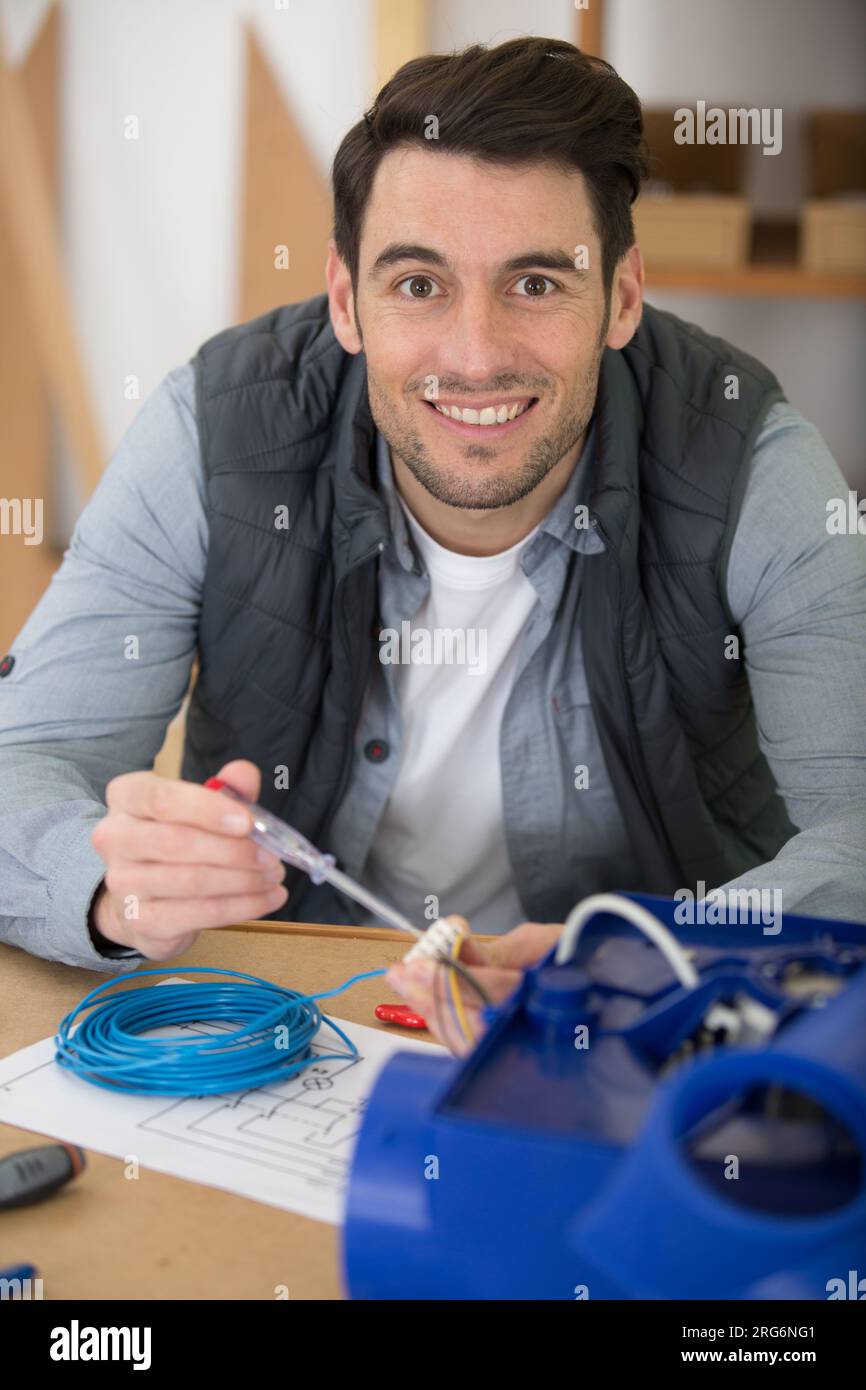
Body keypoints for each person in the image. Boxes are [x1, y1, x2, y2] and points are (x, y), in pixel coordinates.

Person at [1, 40, 864, 1051]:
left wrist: (645, 953)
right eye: (418, 284)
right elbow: (27, 758)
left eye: (535, 283)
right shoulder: (214, 429)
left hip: (640, 1042)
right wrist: (108, 885)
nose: (474, 354)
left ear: (621, 296)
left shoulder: (749, 458)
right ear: (344, 299)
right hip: (289, 1033)